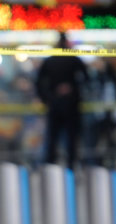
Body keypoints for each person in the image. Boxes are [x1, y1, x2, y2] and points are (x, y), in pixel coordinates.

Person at [36, 33, 89, 168]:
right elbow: (86, 79)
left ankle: (50, 167)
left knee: (53, 139)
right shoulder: (74, 60)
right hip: (71, 105)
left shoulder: (50, 60)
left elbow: (38, 83)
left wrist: (47, 98)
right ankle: (70, 168)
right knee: (71, 140)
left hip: (55, 105)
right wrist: (75, 93)